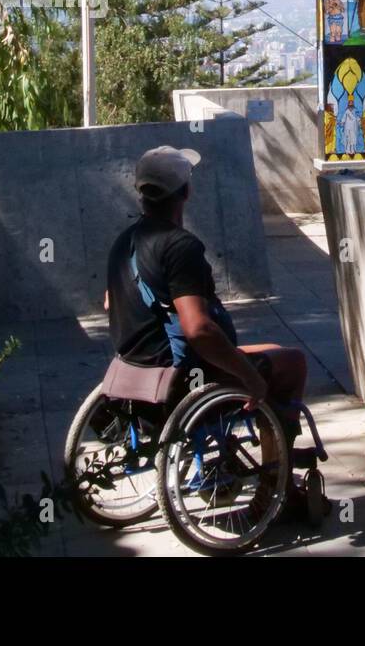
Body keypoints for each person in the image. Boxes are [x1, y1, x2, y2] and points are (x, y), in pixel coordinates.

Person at [104, 145, 316, 514]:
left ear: (142, 192)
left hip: (136, 373)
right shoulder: (180, 247)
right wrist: (249, 377)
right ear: (186, 192)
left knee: (269, 349)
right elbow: (198, 330)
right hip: (182, 376)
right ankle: (277, 487)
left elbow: (110, 302)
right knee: (292, 362)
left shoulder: (125, 240)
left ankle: (276, 458)